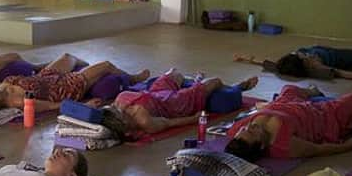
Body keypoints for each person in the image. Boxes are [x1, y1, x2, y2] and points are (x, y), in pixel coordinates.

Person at [0, 61, 151, 118]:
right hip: (64, 86)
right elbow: (53, 106)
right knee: (106, 65)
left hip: (44, 76)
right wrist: (83, 104)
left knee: (68, 56)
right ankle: (133, 78)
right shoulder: (19, 102)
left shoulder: (1, 87)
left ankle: (89, 69)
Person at [224, 84, 352, 162]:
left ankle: (312, 91)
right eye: (251, 132)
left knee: (288, 88)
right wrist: (348, 146)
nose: (248, 126)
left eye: (244, 128)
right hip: (320, 114)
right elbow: (318, 149)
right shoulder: (284, 145)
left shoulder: (235, 133)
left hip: (285, 102)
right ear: (261, 145)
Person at [109, 71, 259, 137]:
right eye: (120, 114)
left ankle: (194, 82)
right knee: (215, 81)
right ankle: (239, 87)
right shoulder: (145, 121)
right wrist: (194, 119)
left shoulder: (119, 102)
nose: (120, 109)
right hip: (175, 103)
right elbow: (169, 123)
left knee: (175, 73)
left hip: (155, 93)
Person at [234, 45, 352, 84]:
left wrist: (245, 58)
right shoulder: (316, 67)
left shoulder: (286, 62)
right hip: (338, 57)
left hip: (320, 49)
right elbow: (342, 73)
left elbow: (262, 61)